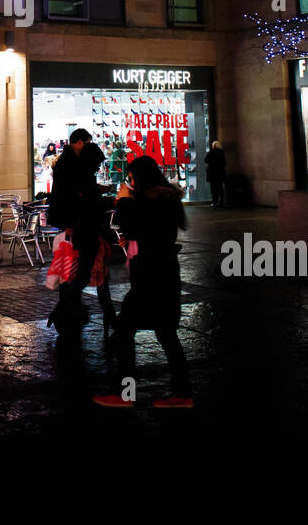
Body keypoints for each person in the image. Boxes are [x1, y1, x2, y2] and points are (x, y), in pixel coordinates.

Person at [93, 155, 192, 409]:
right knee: (166, 333)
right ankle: (182, 393)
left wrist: (126, 201)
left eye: (132, 177)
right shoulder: (163, 197)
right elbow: (149, 230)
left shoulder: (152, 199)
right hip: (165, 274)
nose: (131, 181)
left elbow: (135, 226)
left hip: (151, 276)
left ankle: (126, 394)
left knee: (126, 331)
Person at [47, 129, 115, 332]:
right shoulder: (75, 169)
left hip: (81, 229)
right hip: (85, 231)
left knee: (81, 275)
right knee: (84, 275)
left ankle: (69, 312)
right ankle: (63, 312)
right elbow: (77, 200)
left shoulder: (74, 166)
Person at [204, 141, 227, 207]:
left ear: (213, 146)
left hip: (212, 173)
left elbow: (206, 160)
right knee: (220, 188)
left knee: (213, 188)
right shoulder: (221, 153)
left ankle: (215, 201)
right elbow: (224, 163)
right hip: (220, 173)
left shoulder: (211, 152)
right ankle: (221, 202)